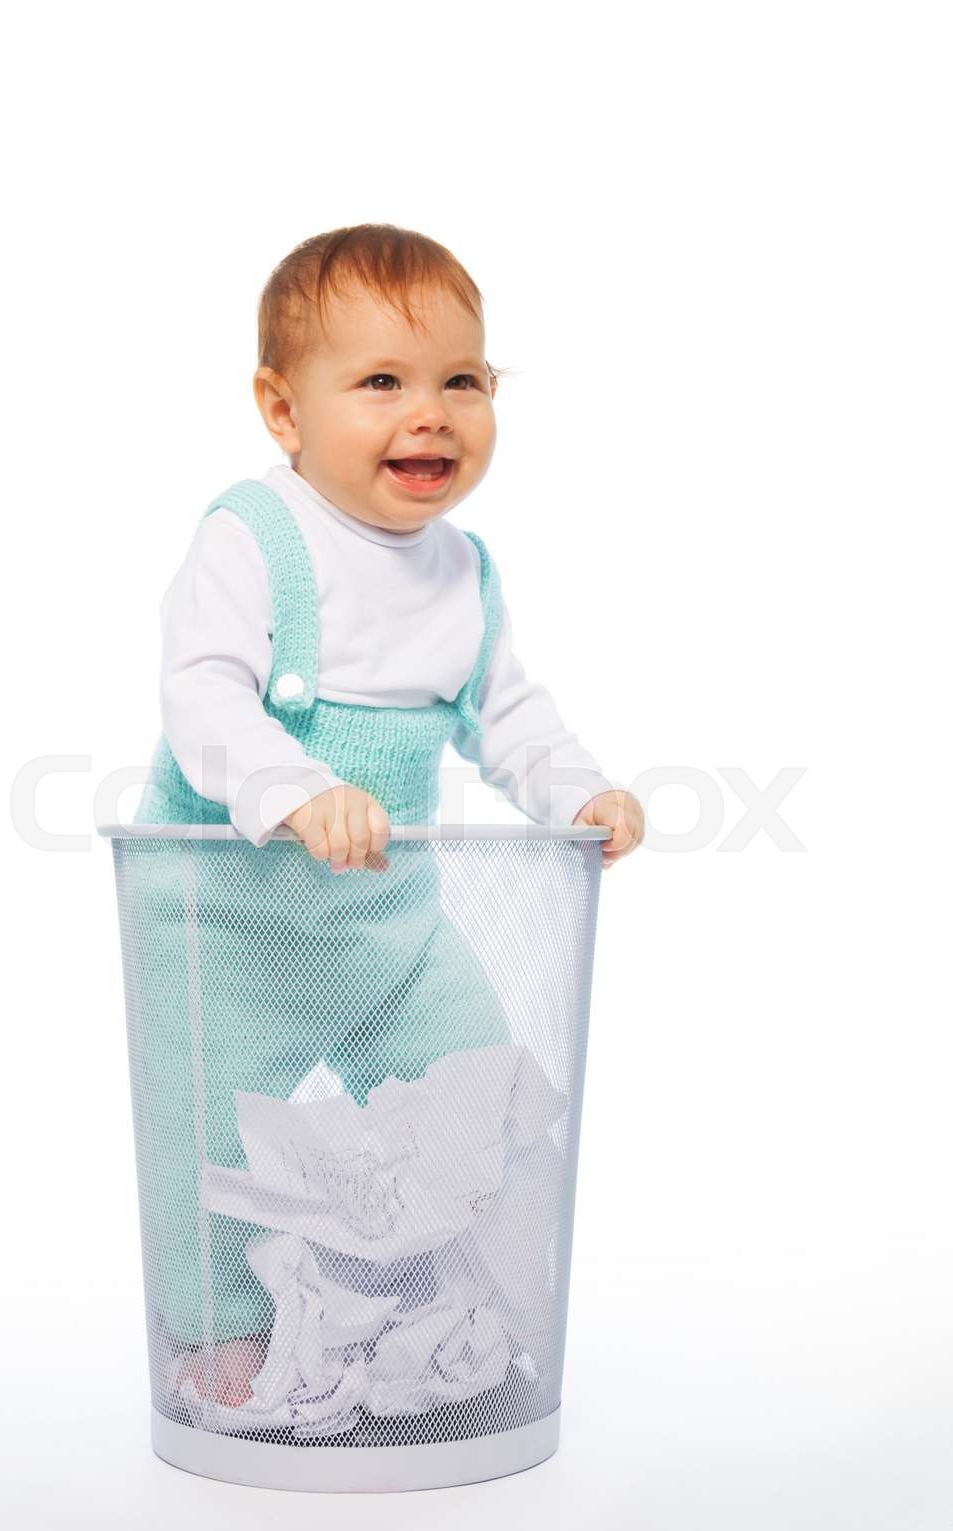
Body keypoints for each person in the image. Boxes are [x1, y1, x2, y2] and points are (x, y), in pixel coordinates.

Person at [129, 224, 645, 1415]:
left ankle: (449, 1303)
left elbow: (506, 715)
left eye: (462, 379)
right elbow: (200, 696)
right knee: (204, 1139)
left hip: (388, 933)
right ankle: (222, 1336)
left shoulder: (463, 572)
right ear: (282, 410)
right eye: (380, 382)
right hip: (226, 933)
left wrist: (576, 790)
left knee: (478, 1100)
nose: (430, 414)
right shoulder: (253, 537)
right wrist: (295, 790)